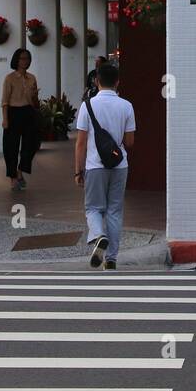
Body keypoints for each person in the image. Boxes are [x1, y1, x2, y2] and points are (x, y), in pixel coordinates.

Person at [74, 62, 136, 270]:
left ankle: (99, 236)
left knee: (93, 208)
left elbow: (81, 142)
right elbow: (129, 142)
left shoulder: (87, 105)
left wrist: (78, 170)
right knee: (114, 211)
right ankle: (111, 259)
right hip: (119, 165)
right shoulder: (126, 106)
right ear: (117, 82)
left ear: (97, 81)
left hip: (94, 166)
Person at [1, 48, 40, 191]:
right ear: (16, 60)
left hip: (28, 112)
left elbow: (36, 103)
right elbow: (5, 101)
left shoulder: (32, 78)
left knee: (31, 144)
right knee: (11, 147)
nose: (25, 61)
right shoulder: (9, 78)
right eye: (22, 58)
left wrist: (35, 96)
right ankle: (12, 178)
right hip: (13, 112)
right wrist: (5, 119)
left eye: (28, 58)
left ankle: (20, 171)